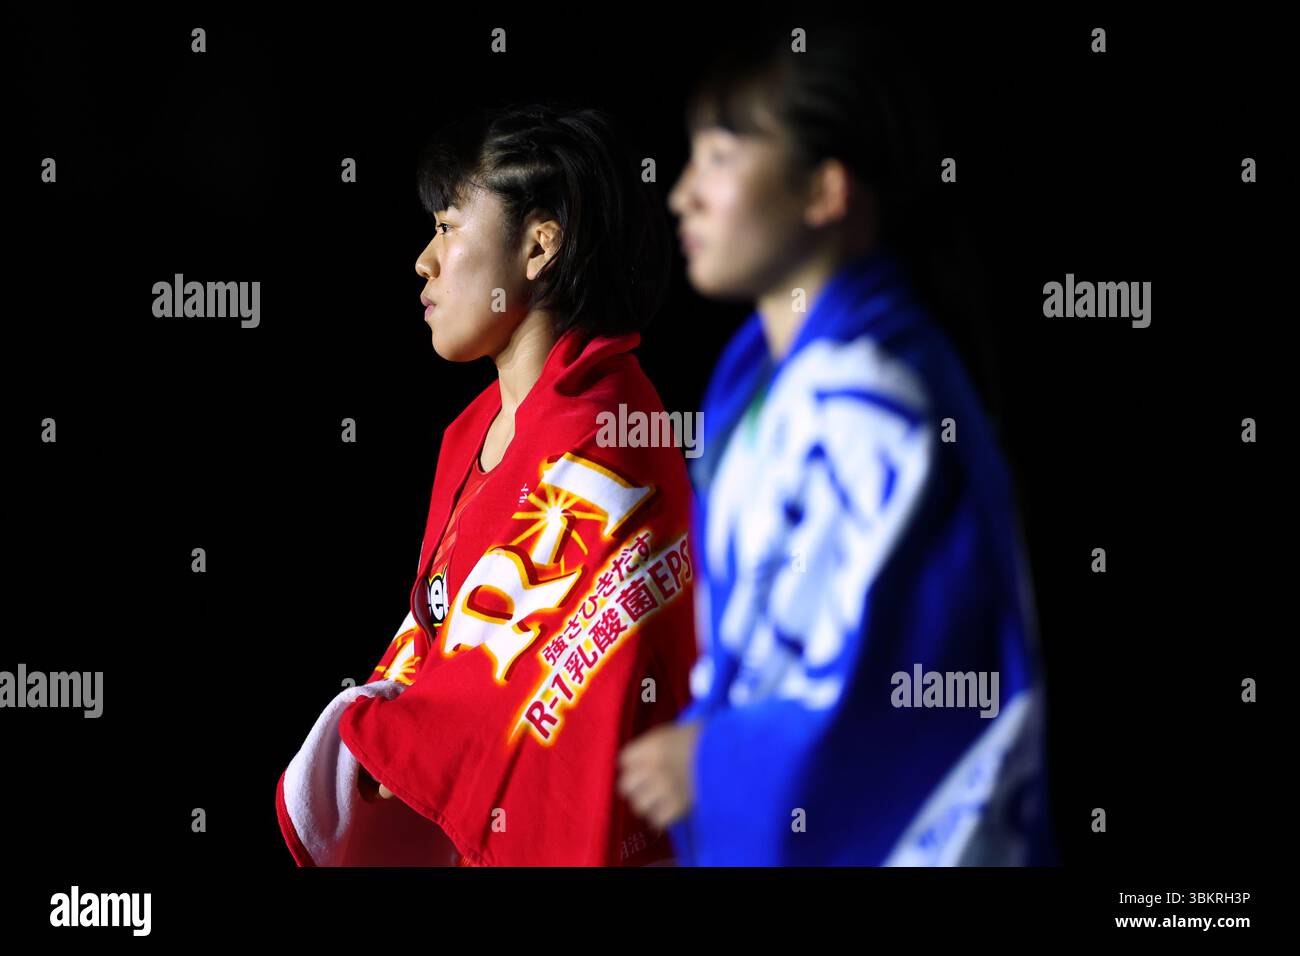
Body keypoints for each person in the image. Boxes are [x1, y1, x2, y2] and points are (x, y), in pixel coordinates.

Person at [617, 22, 1057, 865]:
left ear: (825, 190)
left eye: (718, 157)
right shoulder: (765, 386)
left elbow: (916, 686)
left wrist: (719, 763)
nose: (682, 195)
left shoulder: (873, 405)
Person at [276, 103, 699, 866]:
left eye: (447, 225)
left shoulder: (608, 433)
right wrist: (373, 735)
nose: (424, 261)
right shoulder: (468, 436)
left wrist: (377, 737)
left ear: (540, 245)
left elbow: (547, 698)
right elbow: (438, 644)